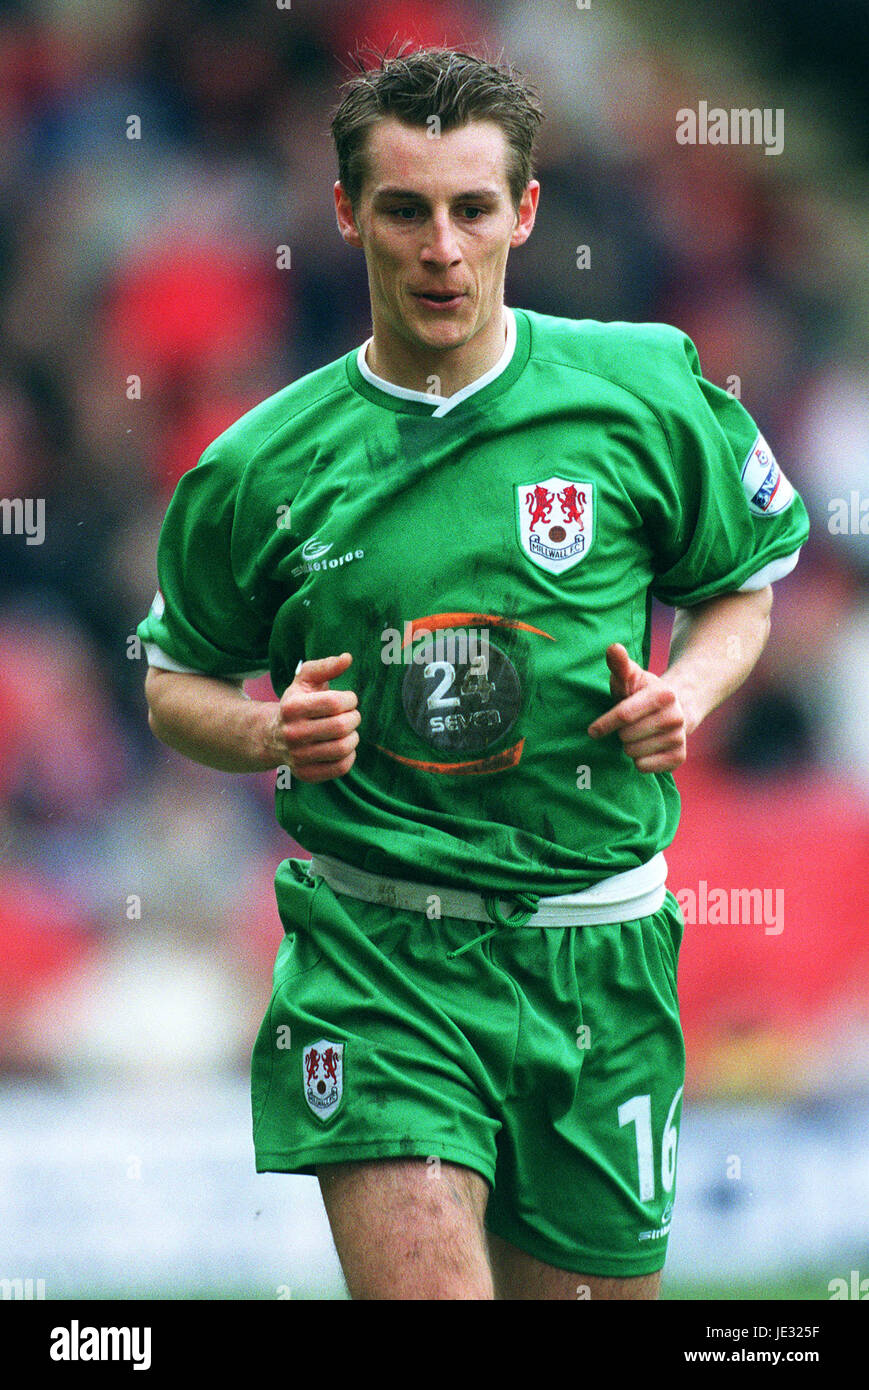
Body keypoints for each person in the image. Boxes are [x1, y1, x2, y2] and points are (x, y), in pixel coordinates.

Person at [138, 46, 809, 1300]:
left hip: (595, 954)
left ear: (525, 212)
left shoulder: (644, 387)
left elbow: (741, 583)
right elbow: (172, 676)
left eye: (470, 208)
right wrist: (268, 731)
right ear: (347, 214)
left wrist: (691, 692)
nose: (439, 246)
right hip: (382, 953)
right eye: (403, 209)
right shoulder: (257, 465)